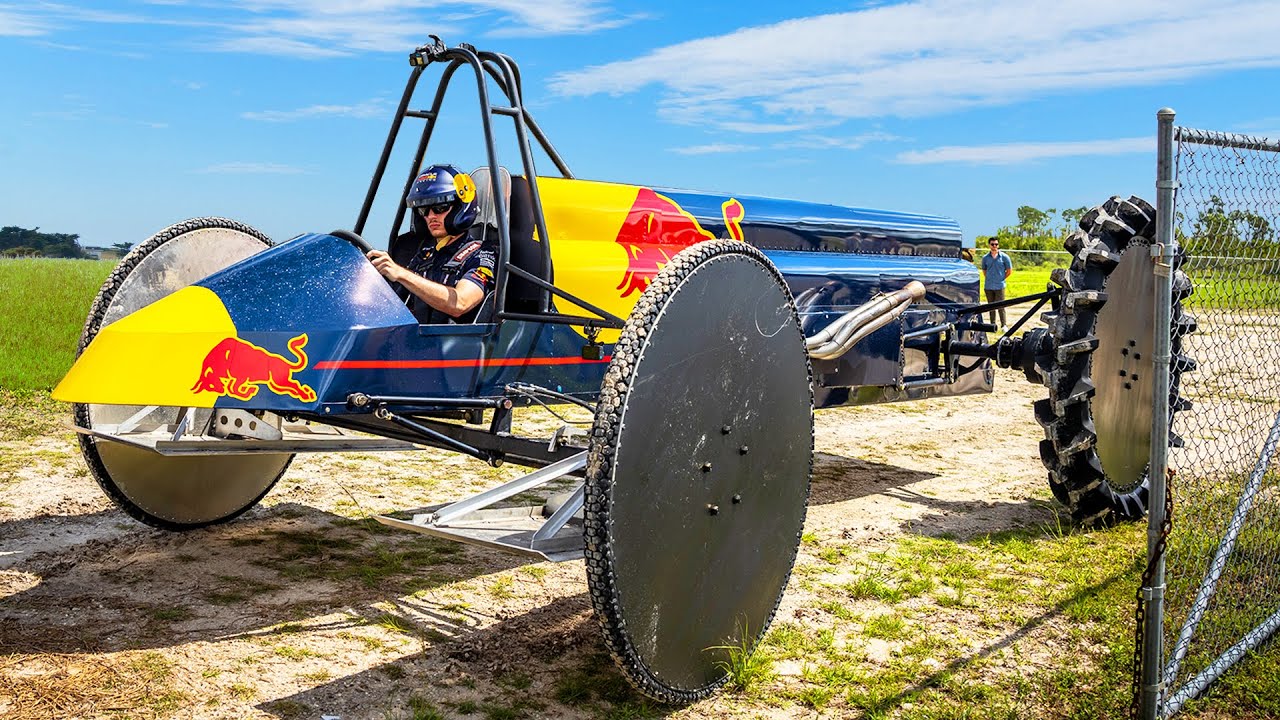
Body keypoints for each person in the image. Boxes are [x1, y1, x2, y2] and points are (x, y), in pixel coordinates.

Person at [366, 164, 497, 324]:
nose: (430, 216)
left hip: (459, 339)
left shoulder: (482, 253)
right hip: (417, 338)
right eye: (424, 210)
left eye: (440, 207)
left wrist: (401, 274)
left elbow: (460, 303)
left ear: (460, 206)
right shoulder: (423, 255)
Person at [981, 237, 1013, 328]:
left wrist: (1001, 278)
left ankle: (1003, 325)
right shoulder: (985, 258)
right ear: (989, 245)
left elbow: (1009, 271)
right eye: (992, 244)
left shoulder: (1005, 257)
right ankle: (992, 324)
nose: (994, 246)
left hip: (1000, 286)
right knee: (991, 307)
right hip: (988, 286)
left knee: (1001, 306)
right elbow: (984, 271)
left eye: (996, 244)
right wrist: (990, 278)